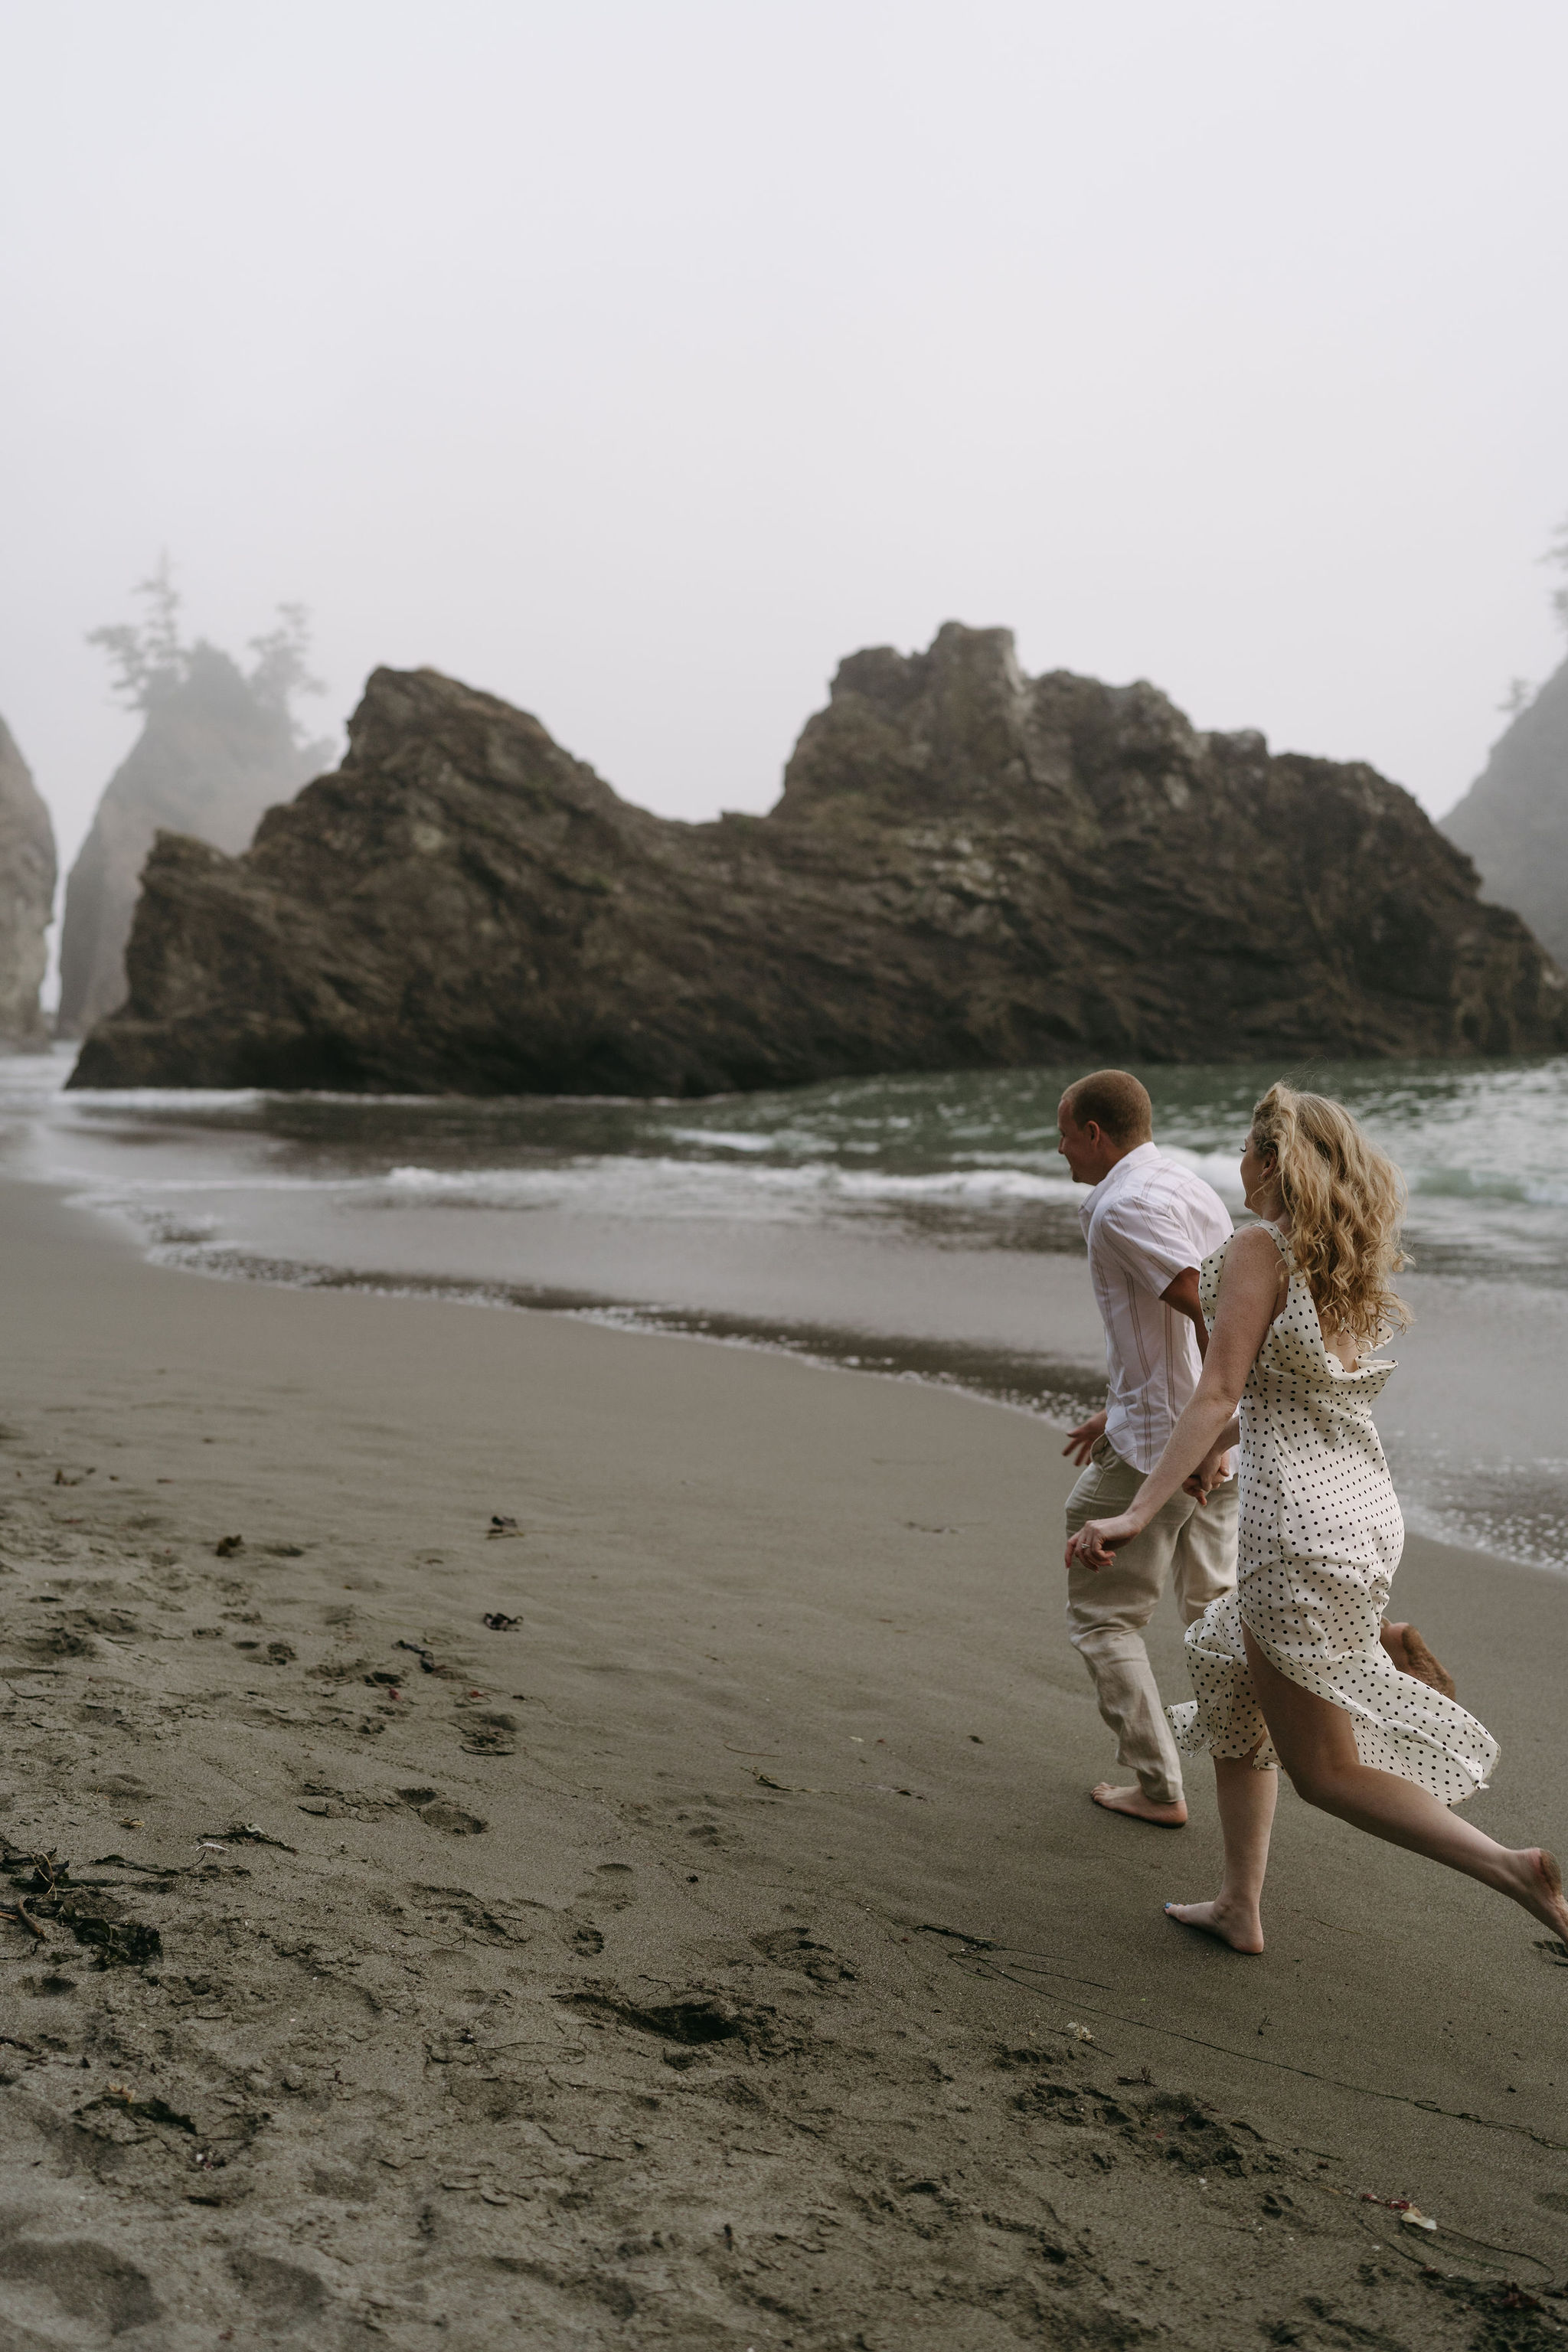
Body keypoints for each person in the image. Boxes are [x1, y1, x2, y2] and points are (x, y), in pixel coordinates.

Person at [1065, 1083, 1568, 1954]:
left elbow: (1218, 1388)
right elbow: (1279, 1399)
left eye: (1245, 1149)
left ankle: (1510, 1868)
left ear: (1270, 1161)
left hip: (1294, 1528)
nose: (1237, 1163)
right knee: (1228, 1672)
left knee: (1327, 1773)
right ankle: (1238, 1904)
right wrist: (1209, 1449)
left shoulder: (1257, 1247)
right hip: (1360, 1509)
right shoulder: (1340, 1258)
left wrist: (1137, 1512)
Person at [1057, 1069, 1238, 1828]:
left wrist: (1201, 1436)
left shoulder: (1123, 1207)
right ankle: (1261, 1748)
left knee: (1104, 1617)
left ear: (1094, 1133)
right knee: (1217, 1614)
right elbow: (1177, 1331)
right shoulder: (1188, 1186)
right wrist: (1123, 1405)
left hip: (1167, 1449)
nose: (1060, 1149)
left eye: (1064, 1134)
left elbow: (1206, 1308)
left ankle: (1160, 1787)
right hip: (1213, 1438)